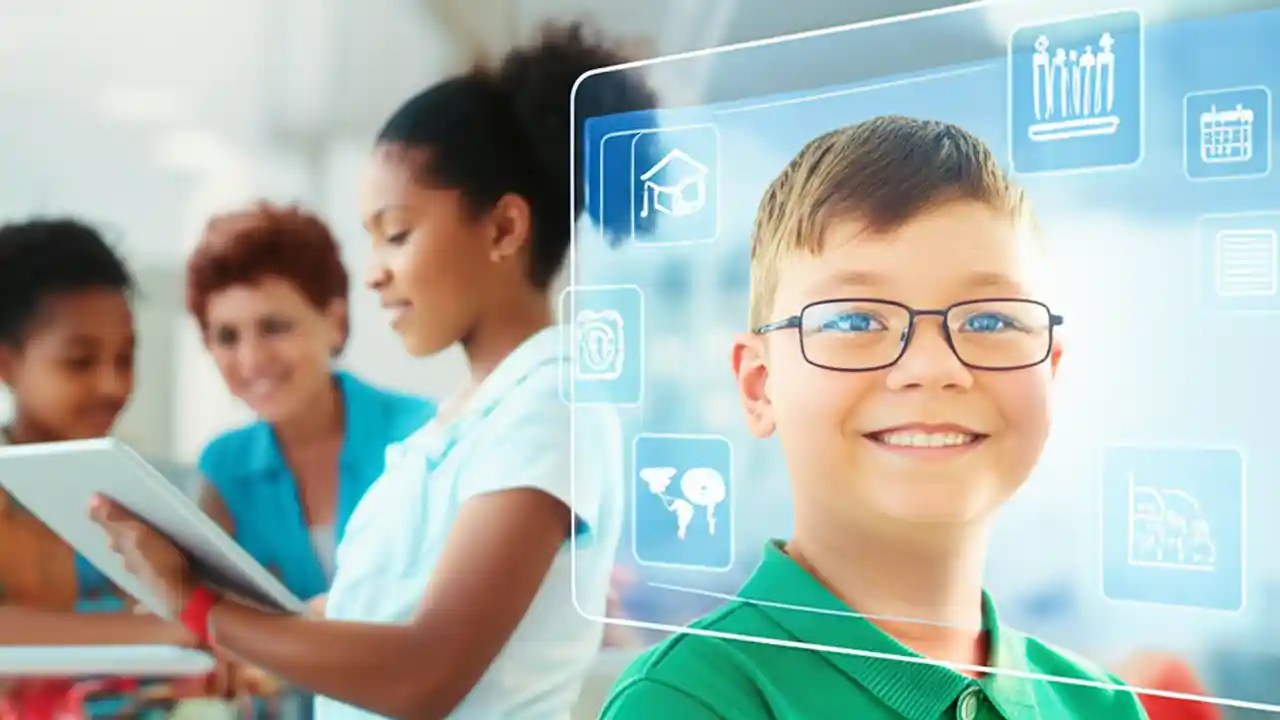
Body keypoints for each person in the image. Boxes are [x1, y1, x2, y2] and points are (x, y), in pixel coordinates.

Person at [91, 22, 656, 720]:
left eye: (397, 233)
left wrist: (199, 606)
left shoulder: (551, 406)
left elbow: (425, 673)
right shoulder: (467, 418)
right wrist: (265, 626)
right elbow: (381, 617)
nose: (376, 274)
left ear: (505, 229)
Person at [599, 116, 1149, 719]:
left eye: (991, 321)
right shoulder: (688, 700)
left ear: (1050, 370)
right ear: (760, 386)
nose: (933, 368)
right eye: (855, 321)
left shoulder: (1102, 704)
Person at [187, 201, 436, 603]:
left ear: (335, 324)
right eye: (227, 337)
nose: (251, 360)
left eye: (274, 327)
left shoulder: (427, 435)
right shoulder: (223, 467)